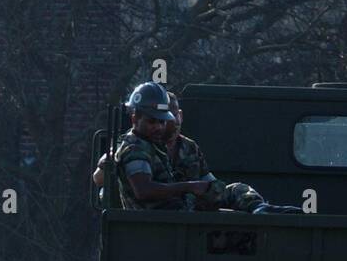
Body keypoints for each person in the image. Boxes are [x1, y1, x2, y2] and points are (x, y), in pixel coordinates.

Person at [111, 81, 302, 213]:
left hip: (178, 212)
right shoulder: (135, 148)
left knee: (236, 190)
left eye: (162, 122)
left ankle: (260, 210)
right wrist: (189, 187)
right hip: (158, 219)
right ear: (135, 118)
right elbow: (143, 190)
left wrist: (210, 189)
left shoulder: (161, 147)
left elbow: (209, 183)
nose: (158, 127)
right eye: (152, 121)